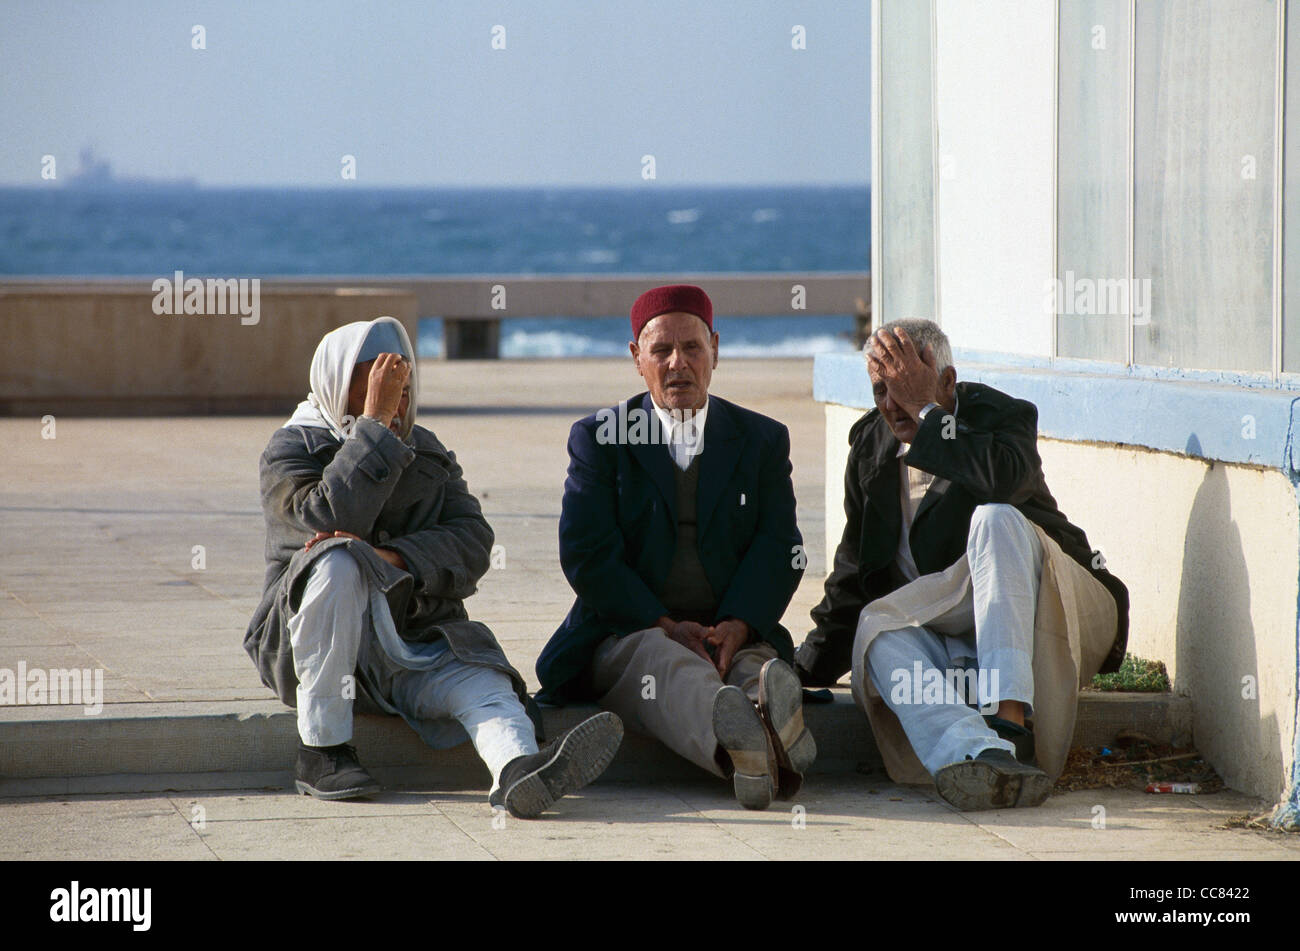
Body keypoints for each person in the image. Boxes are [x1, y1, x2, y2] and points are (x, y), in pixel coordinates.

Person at [244, 316, 622, 817]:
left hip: (413, 645)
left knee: (485, 684)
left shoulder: (426, 450)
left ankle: (518, 770)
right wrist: (373, 431)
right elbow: (329, 519)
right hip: (315, 655)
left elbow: (473, 540)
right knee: (335, 560)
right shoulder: (292, 449)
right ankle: (322, 750)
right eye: (381, 383)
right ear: (339, 382)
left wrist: (392, 560)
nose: (397, 400)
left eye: (403, 384)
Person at [795, 318, 1130, 811]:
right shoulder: (870, 444)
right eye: (882, 390)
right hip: (957, 632)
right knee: (876, 626)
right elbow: (854, 570)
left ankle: (1009, 721)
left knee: (995, 520)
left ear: (946, 382)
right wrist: (803, 667)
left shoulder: (1003, 415)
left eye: (906, 386)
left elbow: (1002, 481)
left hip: (1055, 606)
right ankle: (977, 752)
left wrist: (927, 411)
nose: (892, 404)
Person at [535, 285, 814, 810]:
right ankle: (756, 738)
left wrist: (738, 623)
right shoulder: (601, 438)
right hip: (631, 631)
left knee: (755, 667)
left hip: (729, 630)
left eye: (692, 347)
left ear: (715, 349)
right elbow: (586, 552)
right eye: (660, 350)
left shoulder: (761, 439)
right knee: (666, 665)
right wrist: (662, 622)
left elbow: (781, 546)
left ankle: (755, 737)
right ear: (636, 359)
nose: (677, 363)